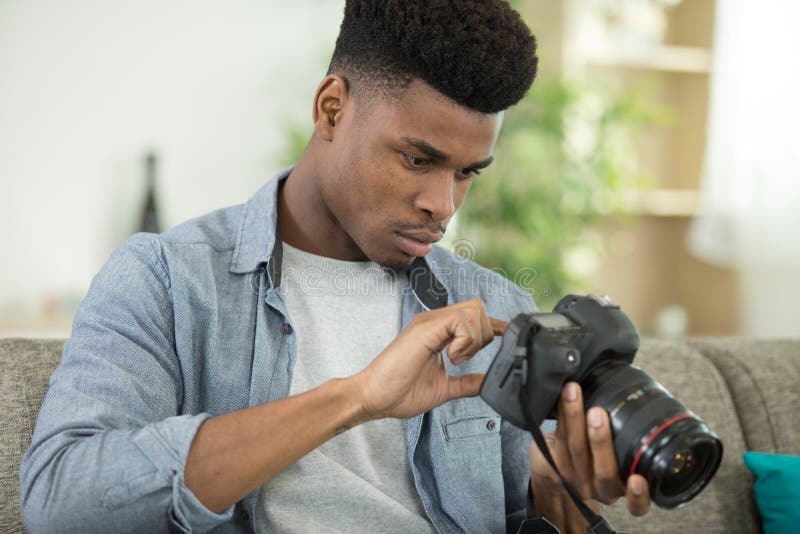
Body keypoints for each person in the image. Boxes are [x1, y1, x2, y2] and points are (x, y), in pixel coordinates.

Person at [19, 1, 652, 532]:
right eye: (416, 159)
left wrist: (558, 498)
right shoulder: (168, 281)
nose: (444, 203)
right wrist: (354, 399)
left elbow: (539, 511)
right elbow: (63, 499)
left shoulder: (495, 311)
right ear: (331, 108)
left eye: (466, 173)